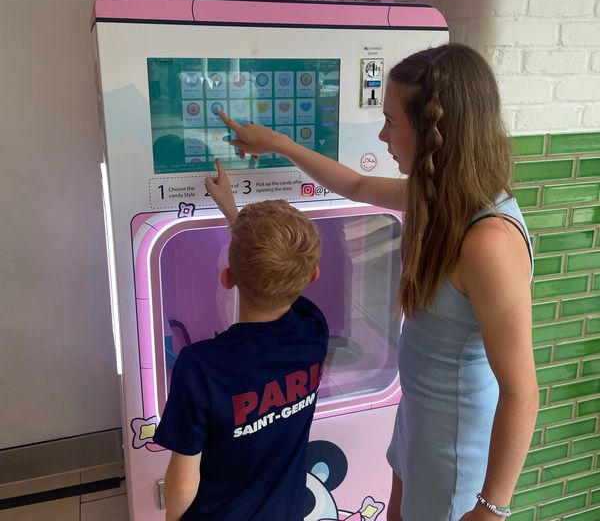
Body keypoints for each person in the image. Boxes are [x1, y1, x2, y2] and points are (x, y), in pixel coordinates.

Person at [216, 43, 539, 521]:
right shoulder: (438, 196)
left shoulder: (488, 241)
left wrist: (492, 507)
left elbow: (521, 391)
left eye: (392, 121)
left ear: (435, 134)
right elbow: (358, 186)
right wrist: (278, 144)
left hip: (455, 448)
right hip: (419, 420)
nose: (384, 134)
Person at [154, 160, 328, 521]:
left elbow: (183, 485)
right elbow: (279, 272)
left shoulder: (199, 366)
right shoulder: (314, 330)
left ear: (227, 278)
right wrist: (234, 214)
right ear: (313, 276)